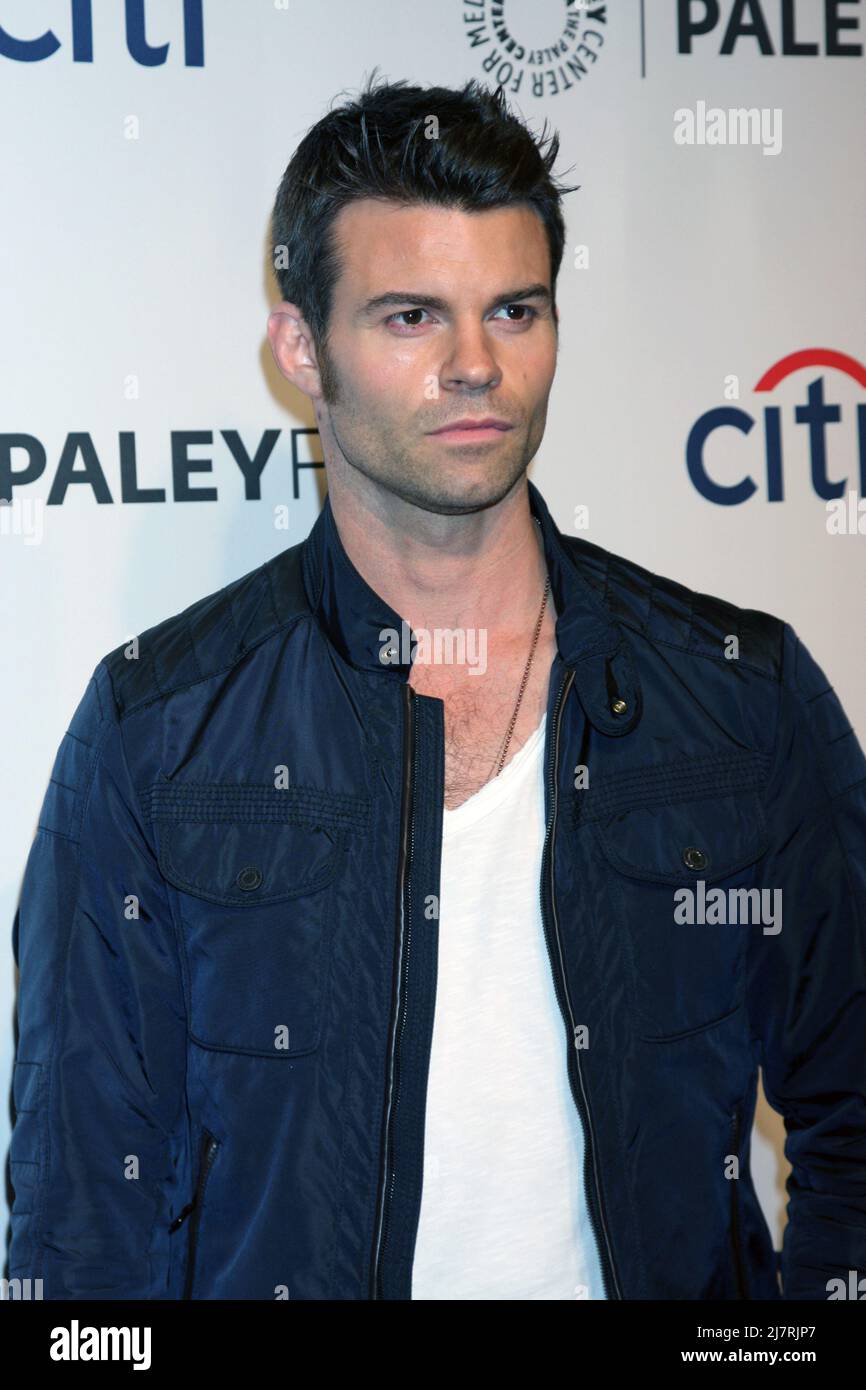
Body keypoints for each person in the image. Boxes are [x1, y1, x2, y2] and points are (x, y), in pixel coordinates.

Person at [9, 74, 866, 1301]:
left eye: (512, 311)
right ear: (301, 347)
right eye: (411, 317)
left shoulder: (737, 697)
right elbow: (82, 1219)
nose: (476, 365)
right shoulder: (159, 730)